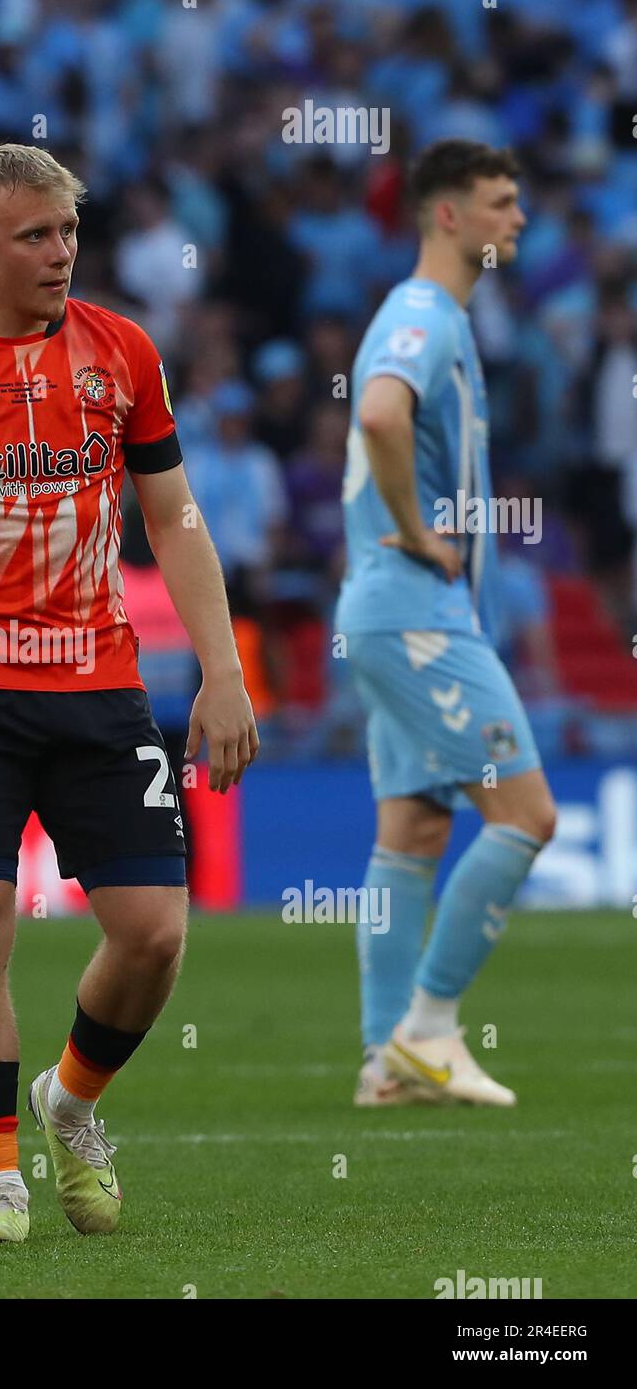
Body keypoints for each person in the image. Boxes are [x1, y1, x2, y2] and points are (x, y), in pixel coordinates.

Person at [0, 142, 259, 1242]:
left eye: (69, 231)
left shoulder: (122, 352)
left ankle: (69, 1101)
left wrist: (222, 669)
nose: (61, 252)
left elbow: (173, 518)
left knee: (155, 933)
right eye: (35, 236)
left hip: (98, 685)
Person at [337, 140, 557, 1108]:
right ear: (448, 216)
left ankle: (387, 1059)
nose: (518, 220)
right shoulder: (424, 315)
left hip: (387, 610)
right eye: (502, 204)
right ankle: (429, 1028)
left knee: (416, 826)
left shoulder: (436, 315)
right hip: (415, 608)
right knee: (529, 816)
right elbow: (381, 417)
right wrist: (421, 532)